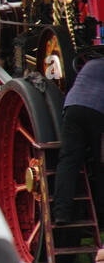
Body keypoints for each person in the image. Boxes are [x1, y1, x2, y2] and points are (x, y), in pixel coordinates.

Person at [52, 55, 104, 228]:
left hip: (72, 107)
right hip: (97, 110)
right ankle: (101, 214)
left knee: (68, 161)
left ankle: (61, 213)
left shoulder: (90, 65)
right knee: (100, 164)